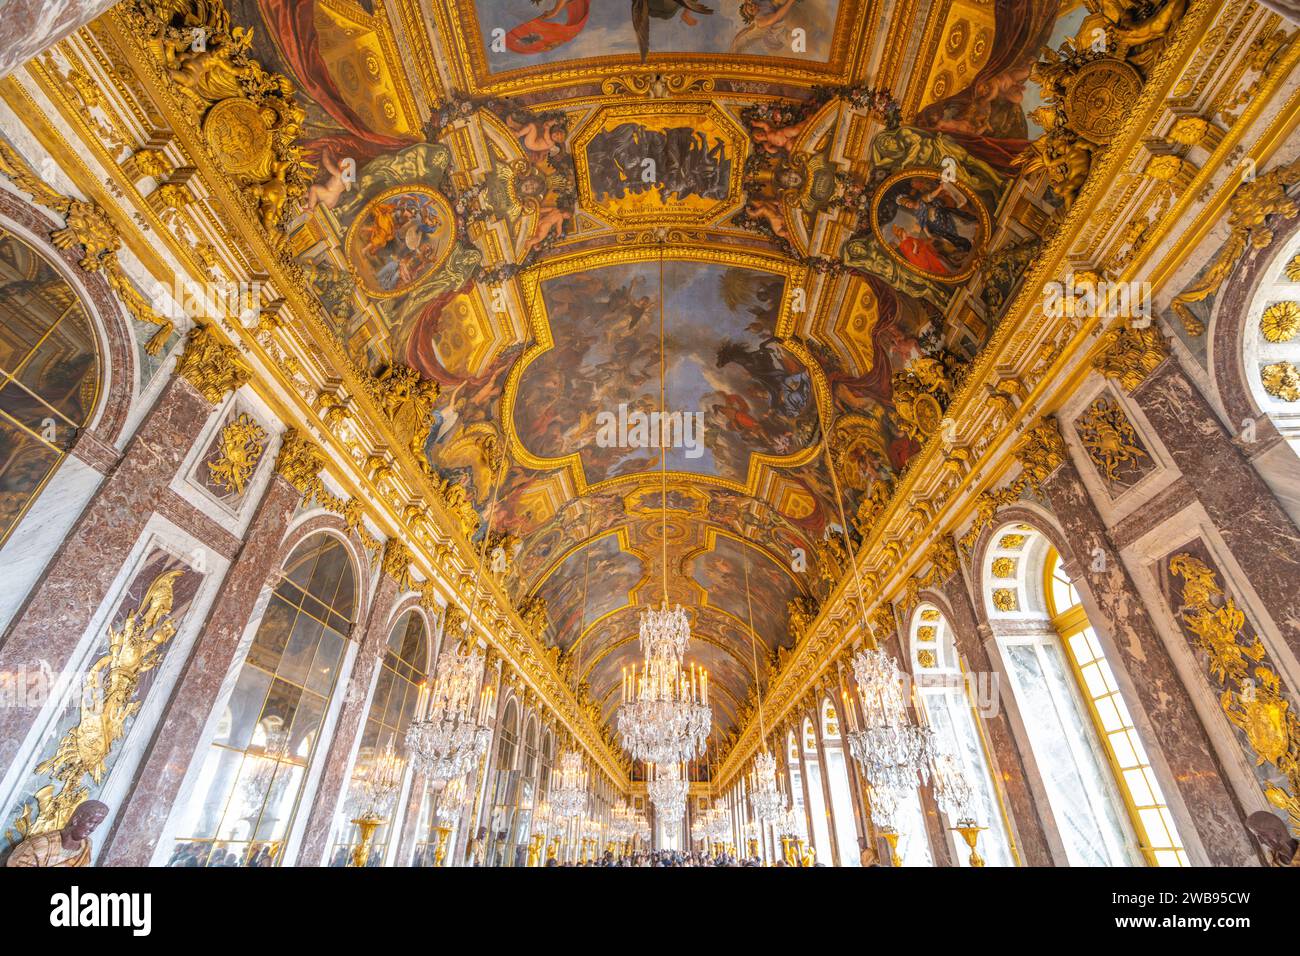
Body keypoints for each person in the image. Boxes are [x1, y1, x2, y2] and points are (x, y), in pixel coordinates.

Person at [6, 800, 109, 867]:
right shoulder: (41, 845)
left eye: (97, 824)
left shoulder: (86, 846)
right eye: (91, 822)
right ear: (76, 820)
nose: (93, 829)